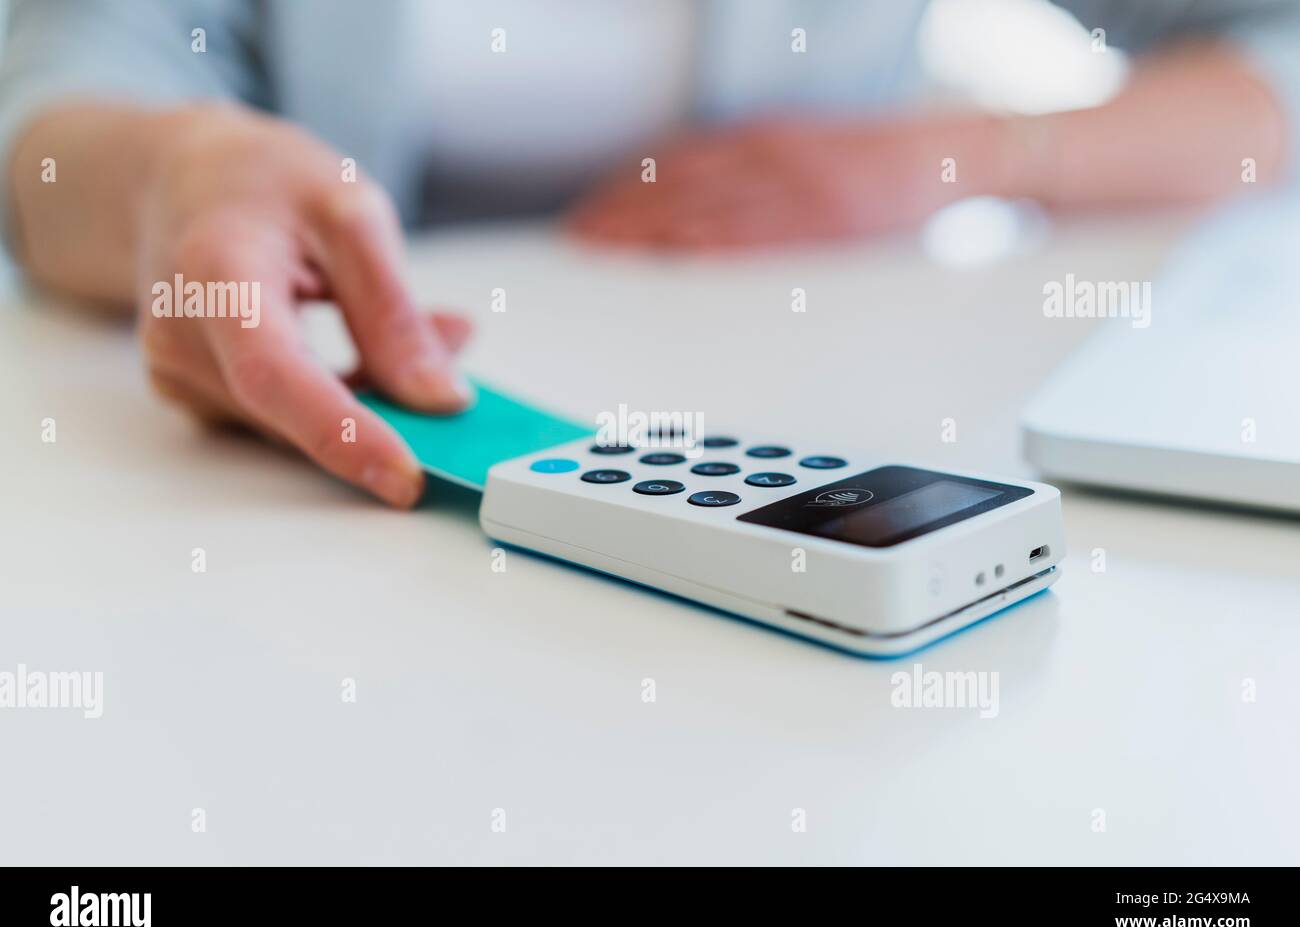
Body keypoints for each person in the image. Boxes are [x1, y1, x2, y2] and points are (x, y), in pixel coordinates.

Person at [1, 0, 1295, 507]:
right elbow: (51, 98)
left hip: (838, 397)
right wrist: (172, 175)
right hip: (292, 496)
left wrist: (984, 151)